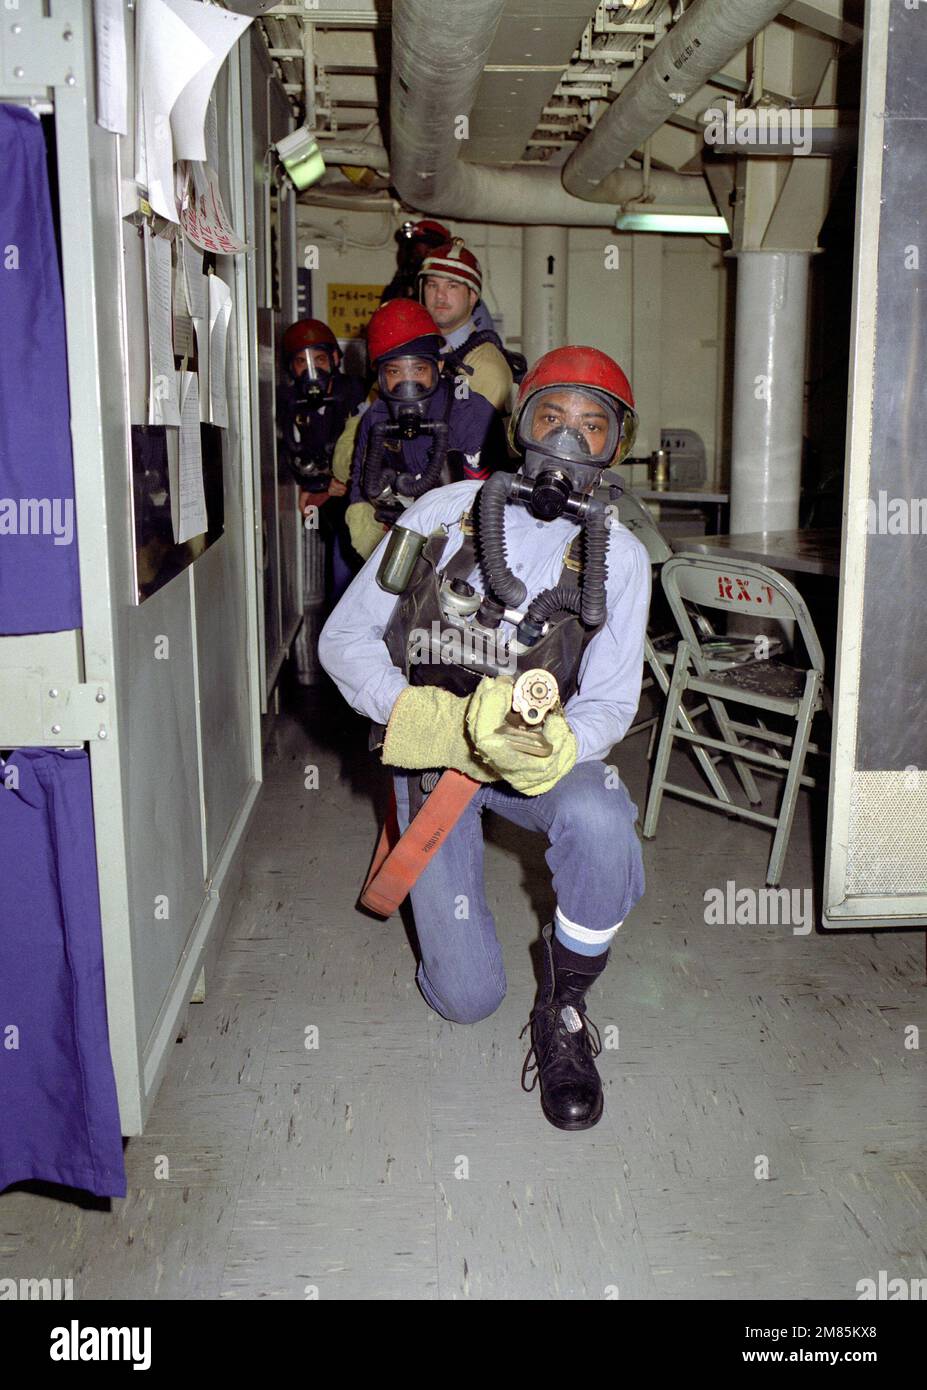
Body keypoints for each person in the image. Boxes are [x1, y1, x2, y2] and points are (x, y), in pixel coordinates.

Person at [318, 346, 651, 1130]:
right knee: (468, 1001)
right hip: (432, 752)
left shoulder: (621, 561)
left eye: (589, 427)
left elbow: (609, 701)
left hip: (529, 758)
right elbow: (345, 639)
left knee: (602, 814)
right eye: (550, 419)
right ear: (519, 426)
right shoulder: (437, 515)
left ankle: (563, 1012)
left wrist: (557, 746)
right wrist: (420, 717)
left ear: (611, 450)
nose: (565, 444)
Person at [344, 299, 505, 562]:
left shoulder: (472, 414)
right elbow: (360, 492)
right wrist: (375, 554)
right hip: (396, 546)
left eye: (419, 369)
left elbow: (495, 507)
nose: (408, 383)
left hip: (466, 551)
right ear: (381, 378)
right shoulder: (376, 418)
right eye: (394, 371)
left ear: (439, 367)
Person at [279, 318, 366, 602]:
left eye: (319, 358)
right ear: (291, 368)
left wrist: (345, 478)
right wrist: (318, 485)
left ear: (335, 359)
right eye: (302, 362)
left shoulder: (356, 393)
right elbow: (291, 453)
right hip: (325, 498)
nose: (312, 369)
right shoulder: (289, 403)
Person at [418, 237, 523, 411]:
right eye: (432, 285)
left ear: (472, 296)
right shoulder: (415, 352)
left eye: (452, 286)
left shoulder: (486, 368)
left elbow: (472, 435)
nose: (439, 296)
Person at [380, 218, 451, 304]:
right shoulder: (406, 276)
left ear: (431, 248)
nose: (412, 253)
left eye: (416, 247)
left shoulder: (443, 278)